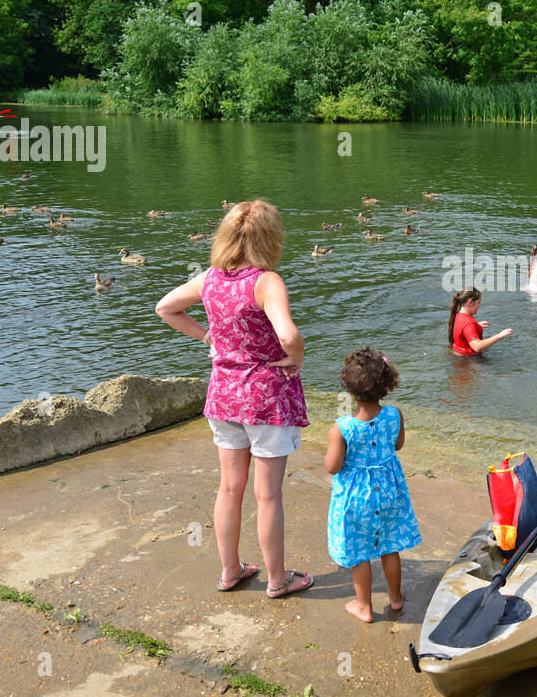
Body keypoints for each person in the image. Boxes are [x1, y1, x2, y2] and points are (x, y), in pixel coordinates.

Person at [154, 199, 313, 599]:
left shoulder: (209, 278)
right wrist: (293, 357)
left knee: (229, 488)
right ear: (272, 238)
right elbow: (289, 335)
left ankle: (230, 571)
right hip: (266, 400)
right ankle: (278, 580)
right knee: (268, 494)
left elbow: (165, 308)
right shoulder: (266, 282)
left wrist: (208, 336)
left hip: (224, 396)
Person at [324, 348, 421, 623]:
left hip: (356, 499)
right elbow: (398, 445)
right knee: (390, 547)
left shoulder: (342, 427)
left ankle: (364, 607)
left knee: (359, 552)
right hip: (389, 492)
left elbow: (332, 466)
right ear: (386, 384)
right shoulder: (394, 415)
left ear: (350, 390)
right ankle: (395, 597)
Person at [448, 288, 513, 356]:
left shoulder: (458, 315)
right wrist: (499, 335)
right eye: (478, 302)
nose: (479, 305)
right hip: (469, 361)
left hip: (458, 357)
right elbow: (477, 347)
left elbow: (461, 330)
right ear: (470, 302)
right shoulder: (469, 324)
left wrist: (476, 326)